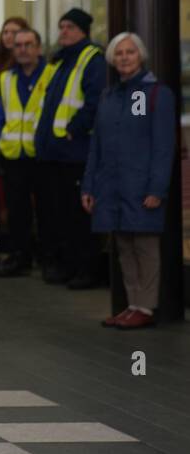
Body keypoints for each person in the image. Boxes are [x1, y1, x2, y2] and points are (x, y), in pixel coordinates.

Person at [82, 32, 175, 330]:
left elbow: (164, 145)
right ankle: (133, 304)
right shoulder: (109, 95)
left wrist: (156, 188)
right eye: (118, 53)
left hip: (141, 186)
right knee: (123, 246)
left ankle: (145, 307)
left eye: (129, 52)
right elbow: (96, 145)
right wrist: (89, 186)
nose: (124, 57)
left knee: (145, 247)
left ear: (141, 56)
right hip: (111, 185)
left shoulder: (157, 94)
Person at [35, 8, 107, 289]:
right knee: (61, 214)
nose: (63, 31)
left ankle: (86, 269)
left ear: (83, 31)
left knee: (79, 216)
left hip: (75, 152)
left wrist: (71, 130)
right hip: (55, 154)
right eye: (61, 26)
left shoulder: (91, 59)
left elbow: (94, 101)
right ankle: (68, 266)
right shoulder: (60, 61)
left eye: (69, 27)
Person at [0, 27, 50, 279]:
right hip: (14, 155)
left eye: (28, 44)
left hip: (43, 155)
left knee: (48, 210)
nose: (23, 49)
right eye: (18, 45)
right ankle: (20, 256)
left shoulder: (51, 74)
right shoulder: (6, 78)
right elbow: (1, 116)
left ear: (38, 47)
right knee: (17, 211)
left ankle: (49, 258)